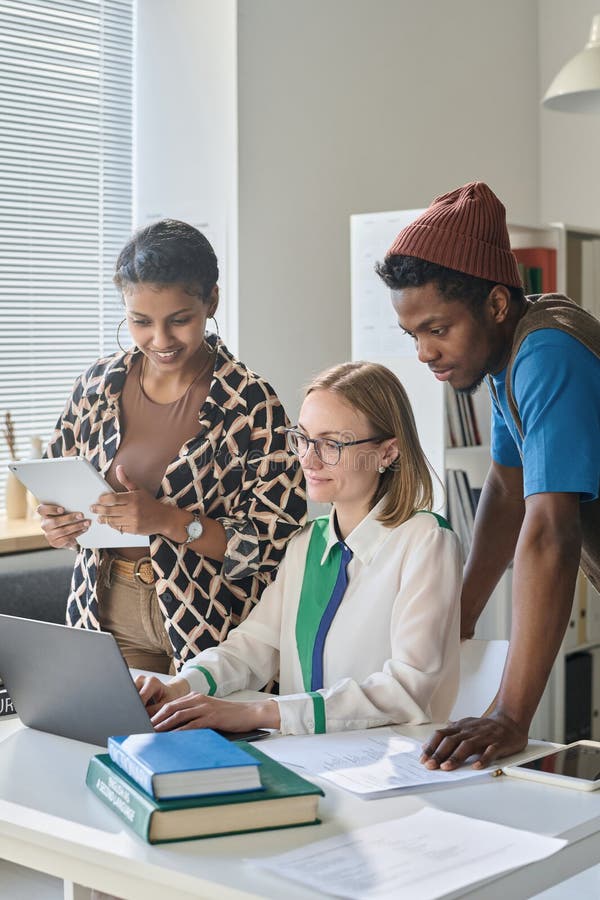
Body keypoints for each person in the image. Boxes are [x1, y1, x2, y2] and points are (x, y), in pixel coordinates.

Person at [376, 181, 600, 769]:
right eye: (413, 335)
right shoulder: (507, 359)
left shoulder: (547, 354)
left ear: (496, 305)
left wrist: (509, 715)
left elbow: (551, 533)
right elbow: (506, 487)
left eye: (438, 329)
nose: (424, 352)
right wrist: (465, 608)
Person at [137, 361, 462, 736]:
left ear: (387, 452)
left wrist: (261, 713)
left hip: (392, 766)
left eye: (331, 444)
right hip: (304, 758)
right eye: (303, 438)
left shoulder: (426, 541)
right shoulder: (307, 543)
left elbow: (406, 689)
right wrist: (179, 687)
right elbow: (251, 646)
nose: (307, 458)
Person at [39, 219, 307, 674]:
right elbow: (58, 486)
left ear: (211, 301)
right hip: (108, 609)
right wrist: (58, 526)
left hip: (213, 621)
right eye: (141, 322)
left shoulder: (251, 403)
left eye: (179, 320)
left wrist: (168, 520)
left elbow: (272, 546)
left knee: (200, 745)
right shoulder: (95, 386)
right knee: (107, 740)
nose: (160, 341)